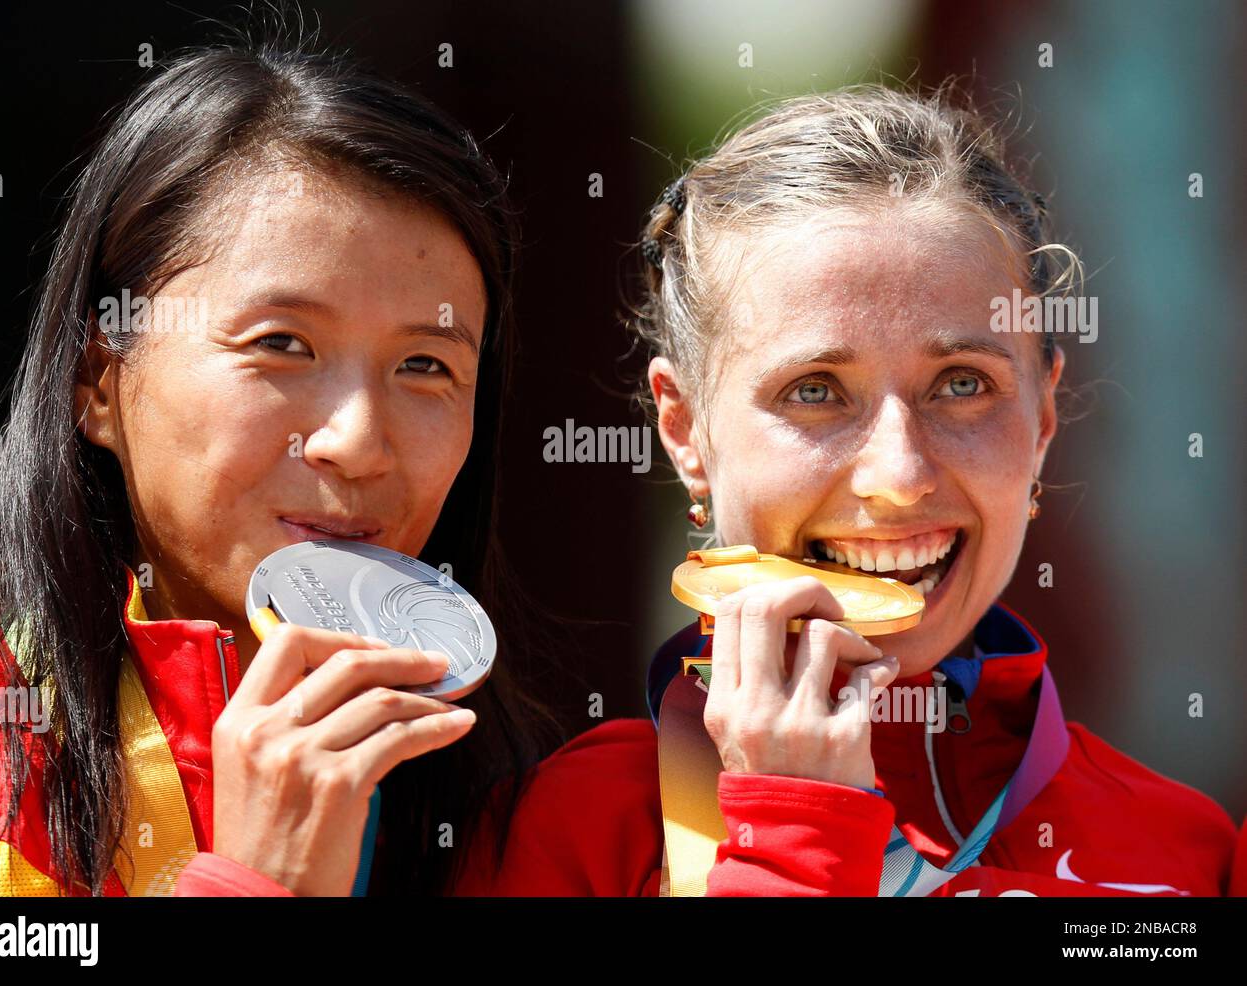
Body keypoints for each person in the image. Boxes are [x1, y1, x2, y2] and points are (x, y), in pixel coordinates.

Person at [452, 82, 1238, 896]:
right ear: (685, 431)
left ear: (1042, 421)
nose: (900, 478)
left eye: (962, 384)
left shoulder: (1188, 854)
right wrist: (793, 828)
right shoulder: (575, 833)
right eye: (817, 390)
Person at [0, 34, 563, 897]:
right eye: (281, 344)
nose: (356, 439)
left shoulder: (550, 826)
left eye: (426, 365)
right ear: (97, 379)